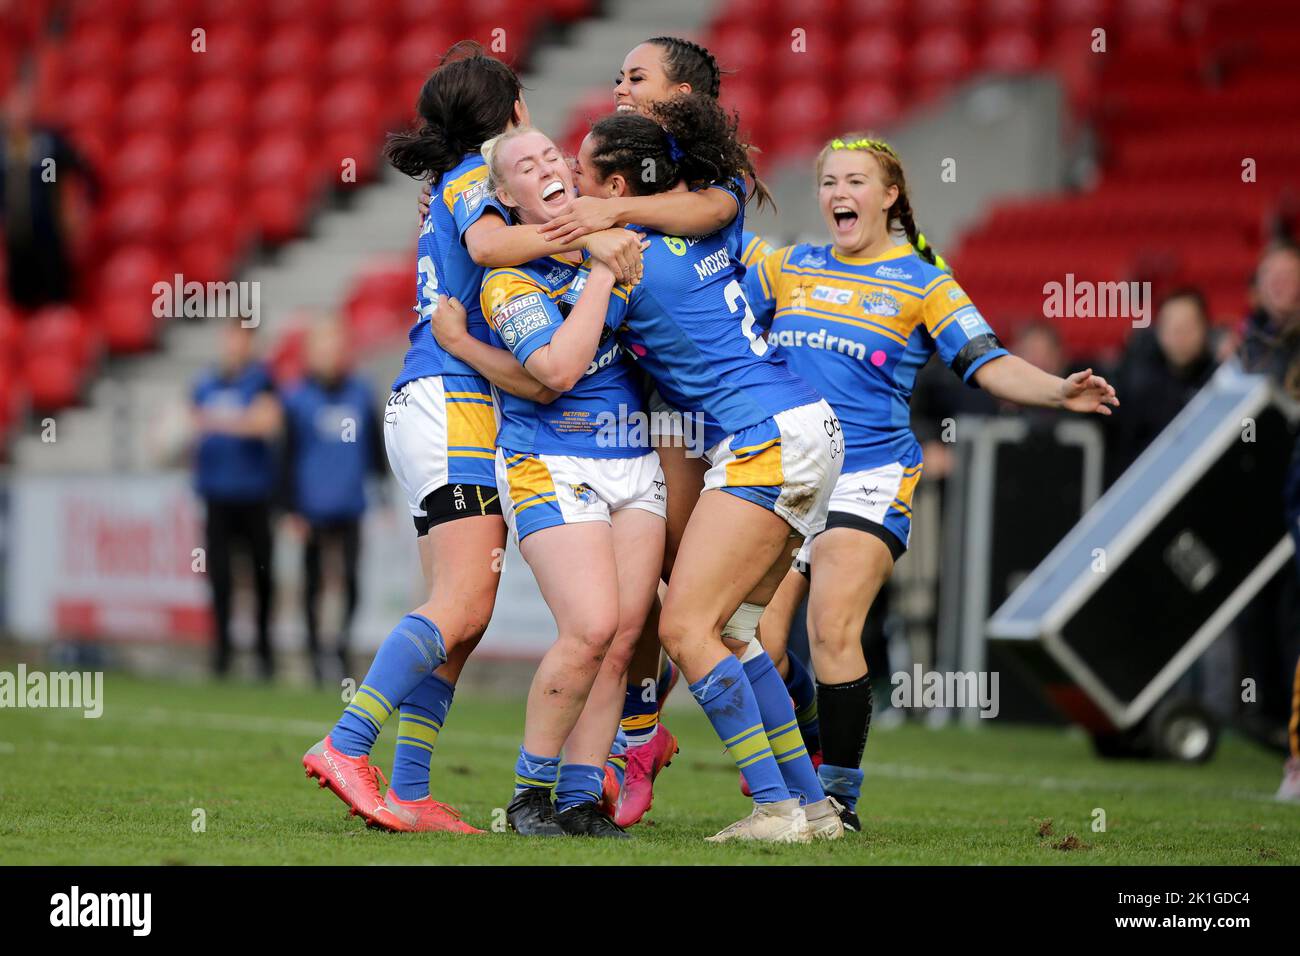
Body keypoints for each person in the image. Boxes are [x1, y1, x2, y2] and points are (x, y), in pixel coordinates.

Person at [300, 41, 643, 835]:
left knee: (458, 614)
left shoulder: (455, 186)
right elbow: (489, 249)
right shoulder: (470, 184)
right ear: (514, 111)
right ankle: (349, 743)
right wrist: (586, 237)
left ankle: (411, 789)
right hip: (452, 402)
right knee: (461, 601)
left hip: (436, 402)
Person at [741, 134, 1120, 831]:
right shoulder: (787, 266)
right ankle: (812, 743)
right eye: (828, 182)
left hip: (870, 477)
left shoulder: (923, 281)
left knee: (831, 626)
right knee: (759, 648)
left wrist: (1058, 391)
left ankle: (839, 801)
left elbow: (986, 359)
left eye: (855, 181)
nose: (838, 194)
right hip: (791, 475)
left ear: (889, 196)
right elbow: (720, 327)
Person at [560, 94, 849, 843]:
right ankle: (811, 806)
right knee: (738, 636)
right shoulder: (713, 221)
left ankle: (774, 808)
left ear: (617, 189)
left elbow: (563, 359)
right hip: (805, 425)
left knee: (687, 627)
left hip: (763, 439)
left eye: (583, 176)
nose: (573, 185)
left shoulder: (625, 264)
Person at [434, 126, 665, 836]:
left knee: (624, 637)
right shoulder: (510, 278)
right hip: (549, 459)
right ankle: (529, 796)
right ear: (507, 197)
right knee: (590, 626)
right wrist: (600, 270)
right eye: (525, 168)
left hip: (635, 459)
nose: (548, 168)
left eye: (551, 158)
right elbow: (558, 373)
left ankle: (577, 798)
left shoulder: (623, 236)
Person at [280, 320, 386, 685]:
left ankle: (341, 648)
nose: (331, 357)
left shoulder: (360, 393)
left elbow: (375, 448)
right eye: (324, 349)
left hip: (350, 504)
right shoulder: (296, 399)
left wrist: (382, 495)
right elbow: (286, 456)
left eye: (337, 349)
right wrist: (290, 509)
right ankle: (314, 657)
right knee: (312, 584)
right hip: (312, 507)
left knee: (353, 581)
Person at [190, 323, 281, 679]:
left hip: (255, 496)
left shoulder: (262, 380)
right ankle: (222, 656)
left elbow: (266, 424)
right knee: (221, 579)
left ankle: (263, 655)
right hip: (217, 495)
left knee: (261, 577)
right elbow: (188, 425)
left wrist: (215, 422)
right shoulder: (205, 382)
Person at [0, 75, 94, 310]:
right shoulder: (3, 150)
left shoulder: (48, 143)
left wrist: (82, 206)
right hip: (17, 235)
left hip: (49, 232)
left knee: (55, 295)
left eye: (20, 109)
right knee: (21, 298)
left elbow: (81, 169)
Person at [1106, 289, 1216, 484]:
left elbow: (1247, 435)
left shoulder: (1223, 385)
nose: (1180, 336)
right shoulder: (1137, 387)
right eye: (1173, 327)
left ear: (1205, 328)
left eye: (1188, 326)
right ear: (1159, 332)